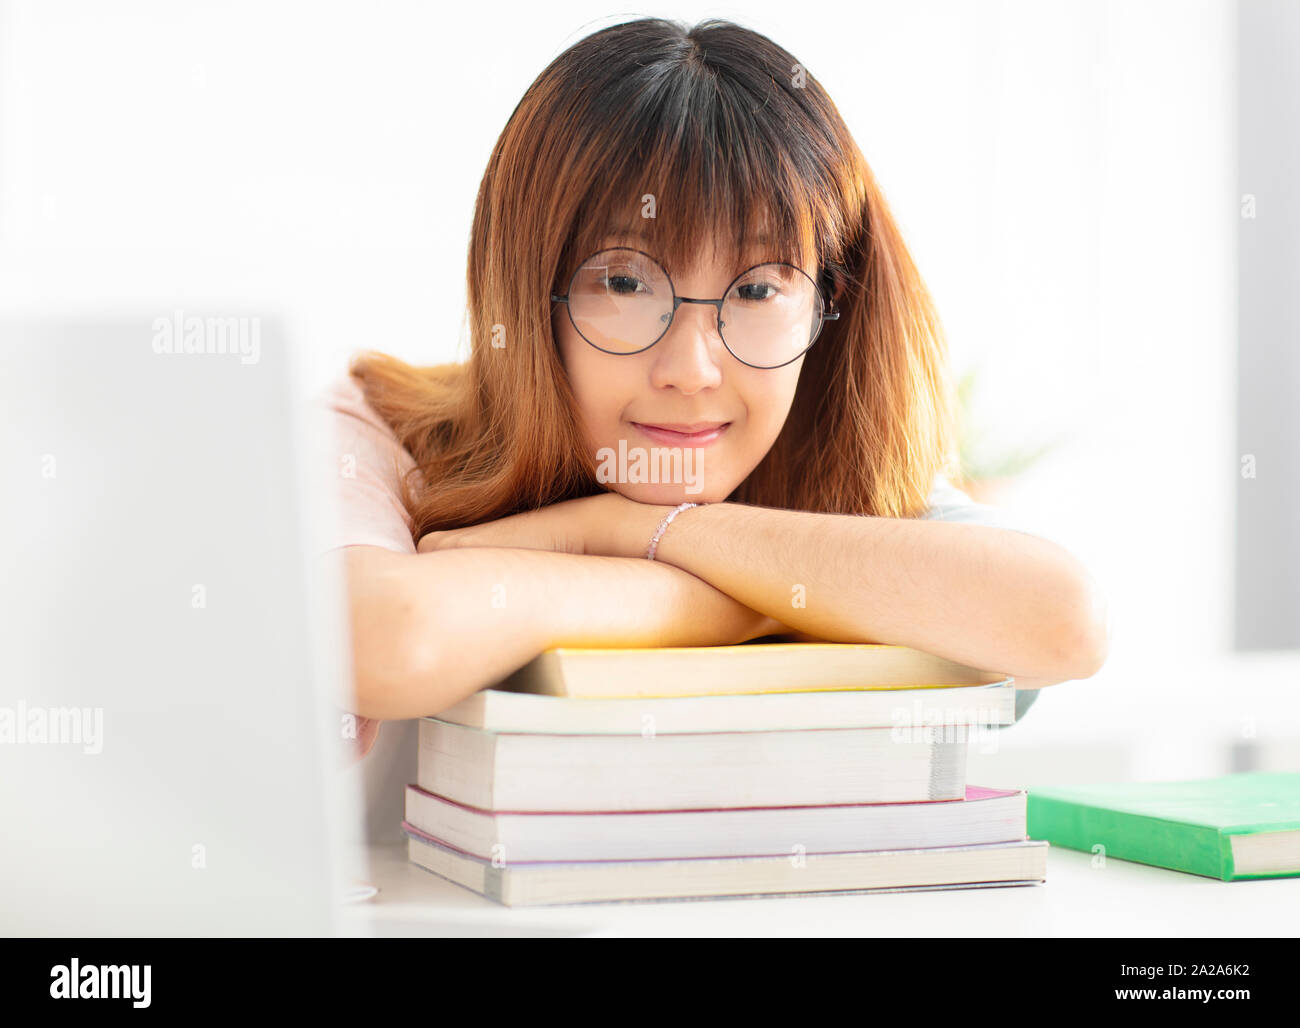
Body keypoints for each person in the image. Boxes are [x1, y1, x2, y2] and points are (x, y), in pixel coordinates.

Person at [317, 17, 1109, 769]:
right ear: (525, 295)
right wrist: (766, 598)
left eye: (760, 289)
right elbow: (393, 639)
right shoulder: (374, 429)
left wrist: (622, 529)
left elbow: (1064, 619)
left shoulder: (829, 466)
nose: (692, 369)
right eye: (624, 281)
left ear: (828, 306)